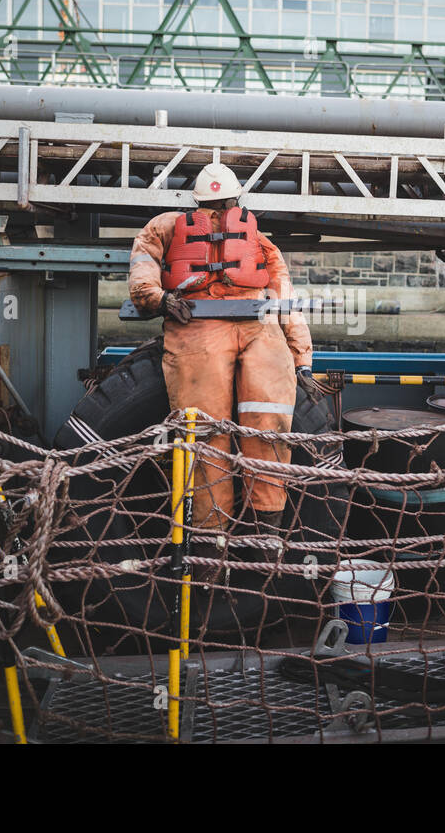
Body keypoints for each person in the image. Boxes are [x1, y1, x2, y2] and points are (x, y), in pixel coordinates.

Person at [127, 162, 324, 586]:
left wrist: (302, 361)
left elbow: (282, 295)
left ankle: (253, 538)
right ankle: (215, 543)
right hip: (199, 328)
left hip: (252, 330)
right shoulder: (170, 227)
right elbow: (144, 262)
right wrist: (157, 298)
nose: (218, 212)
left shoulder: (251, 239)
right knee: (217, 435)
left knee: (262, 428)